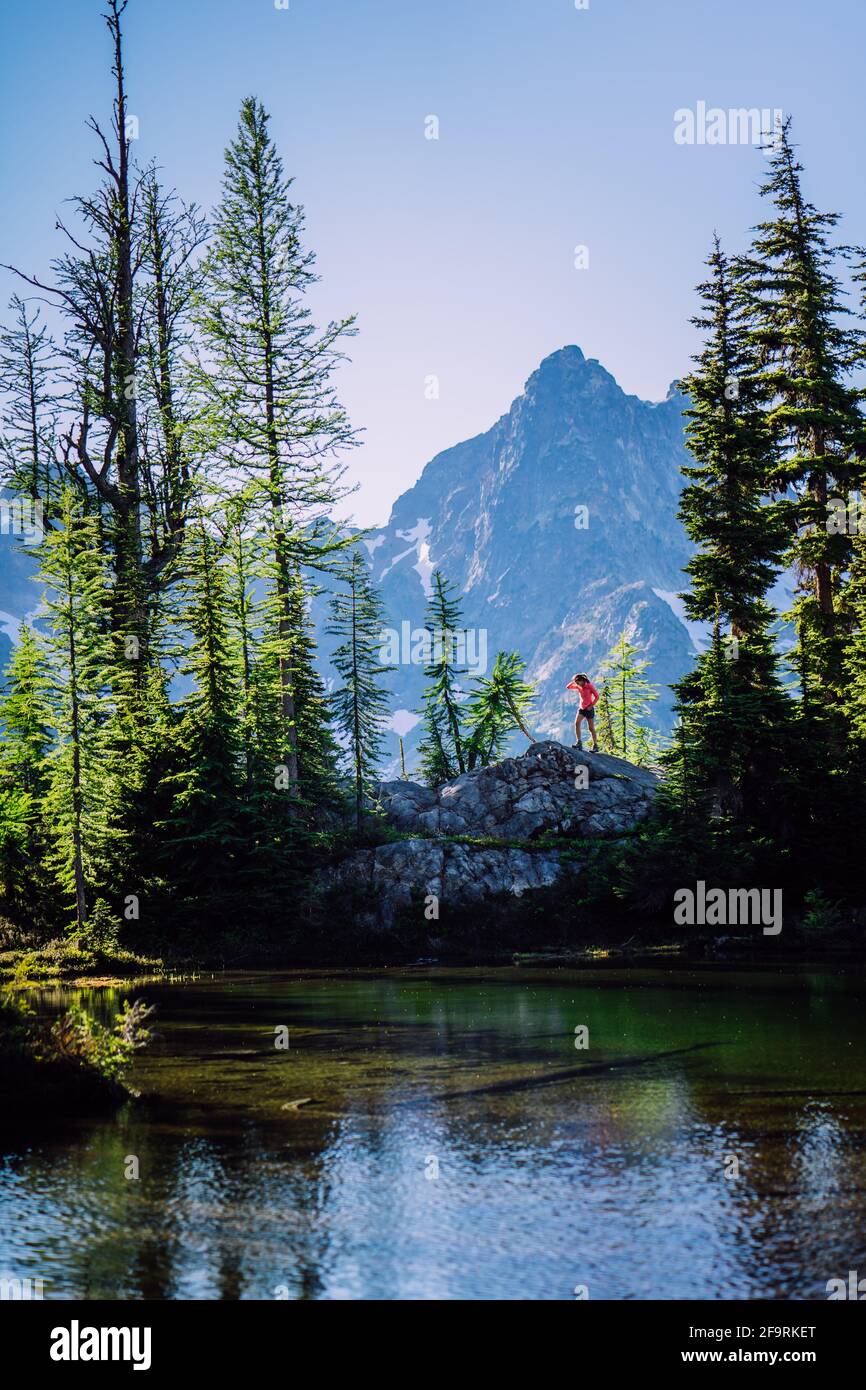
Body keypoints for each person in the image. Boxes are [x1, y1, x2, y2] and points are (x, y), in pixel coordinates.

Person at [566, 672, 599, 751]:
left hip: (589, 709)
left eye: (578, 682)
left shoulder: (589, 686)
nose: (578, 684)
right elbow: (568, 687)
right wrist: (574, 682)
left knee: (591, 728)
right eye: (576, 683)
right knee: (577, 723)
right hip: (582, 708)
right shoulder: (578, 686)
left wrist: (591, 705)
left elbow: (597, 696)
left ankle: (595, 746)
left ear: (583, 680)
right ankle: (579, 743)